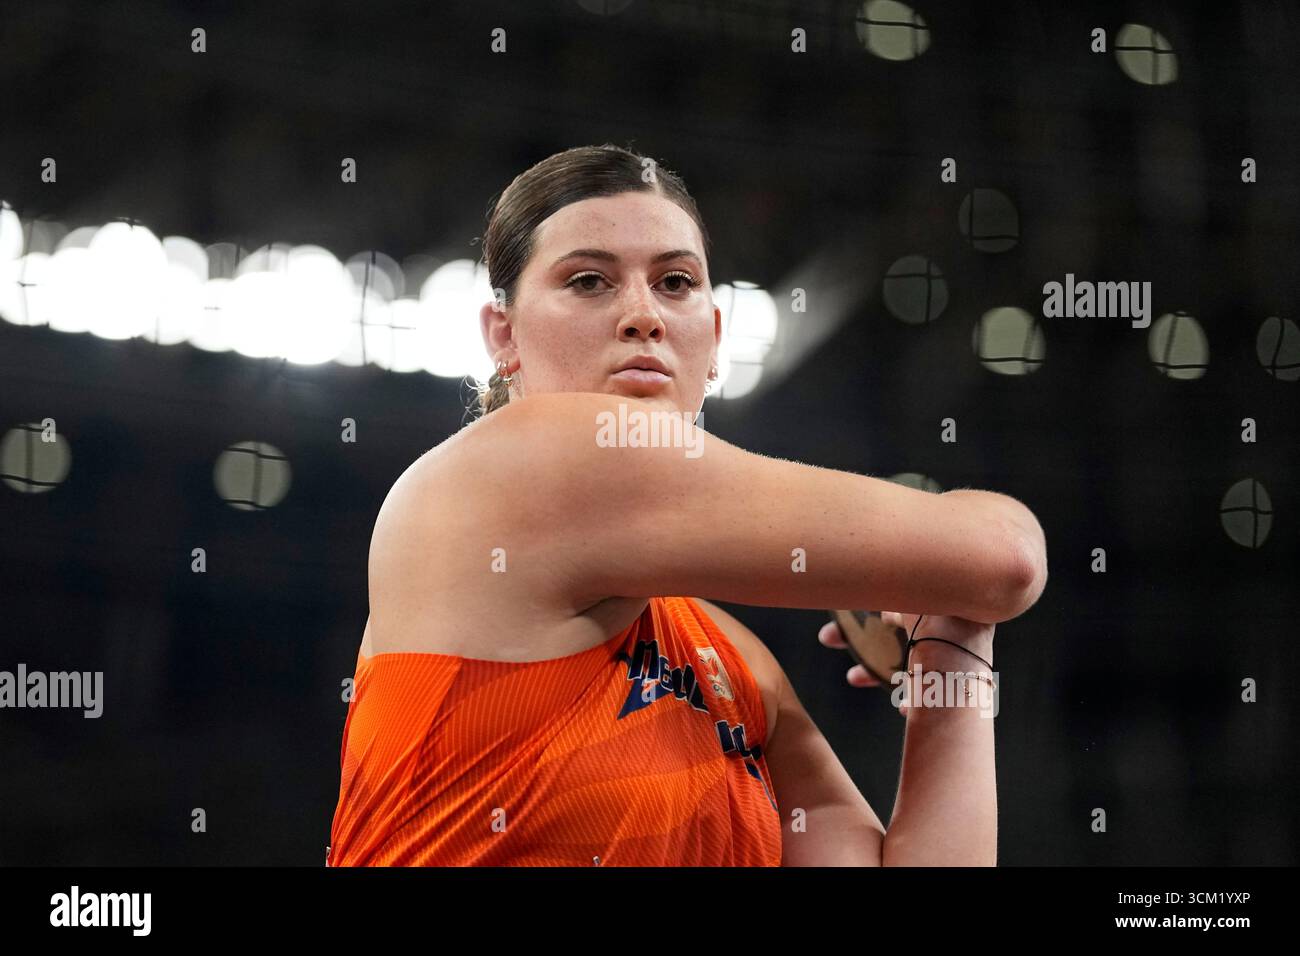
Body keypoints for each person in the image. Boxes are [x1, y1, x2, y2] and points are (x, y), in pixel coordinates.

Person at [327, 143, 1047, 866]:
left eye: (675, 282)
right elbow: (1006, 556)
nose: (643, 315)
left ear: (715, 340)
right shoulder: (514, 469)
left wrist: (953, 648)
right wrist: (960, 572)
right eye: (588, 281)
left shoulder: (732, 661)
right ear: (504, 336)